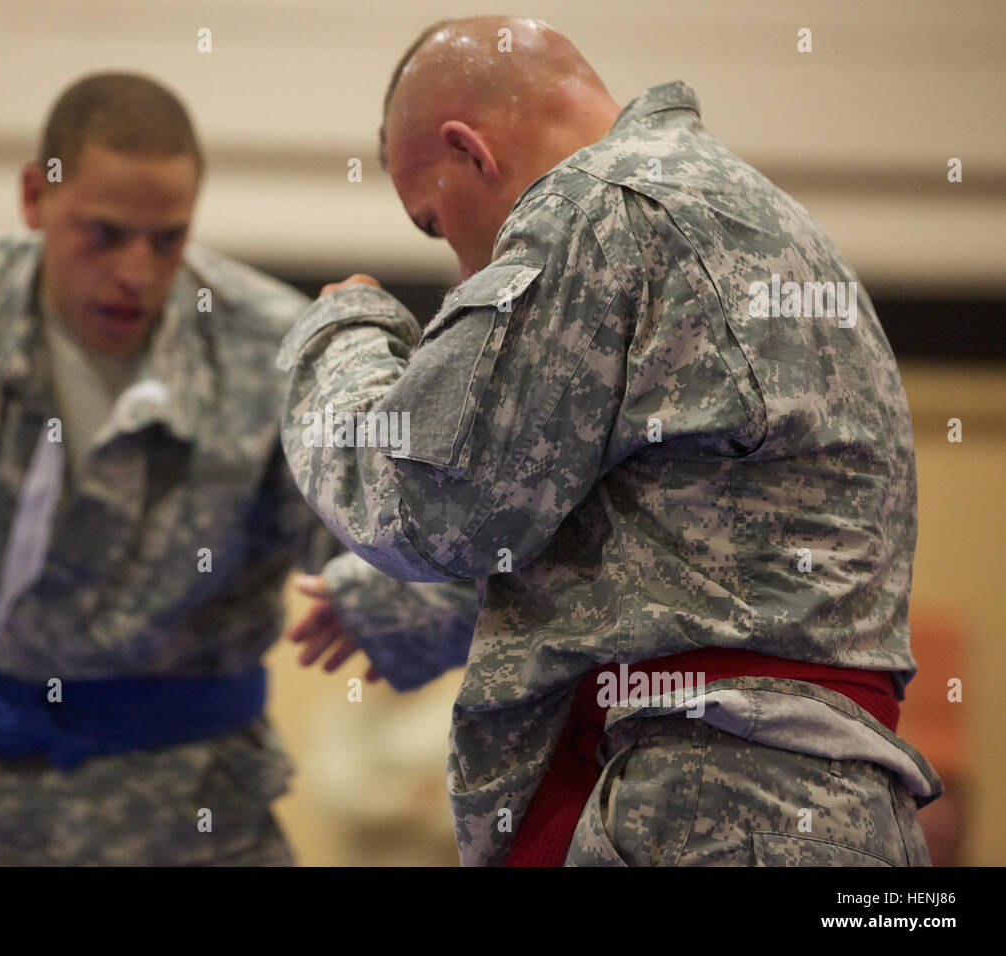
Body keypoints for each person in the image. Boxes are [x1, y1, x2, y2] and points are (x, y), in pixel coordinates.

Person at [0, 72, 476, 865]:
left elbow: (446, 546)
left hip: (194, 820)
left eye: (167, 239)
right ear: (32, 200)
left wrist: (379, 598)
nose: (137, 273)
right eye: (104, 234)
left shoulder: (266, 351)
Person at [276, 17, 942, 866]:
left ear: (470, 150)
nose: (458, 268)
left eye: (436, 222)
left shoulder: (594, 205)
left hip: (705, 814)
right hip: (835, 816)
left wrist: (344, 333)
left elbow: (426, 507)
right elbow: (681, 547)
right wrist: (398, 607)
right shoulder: (767, 221)